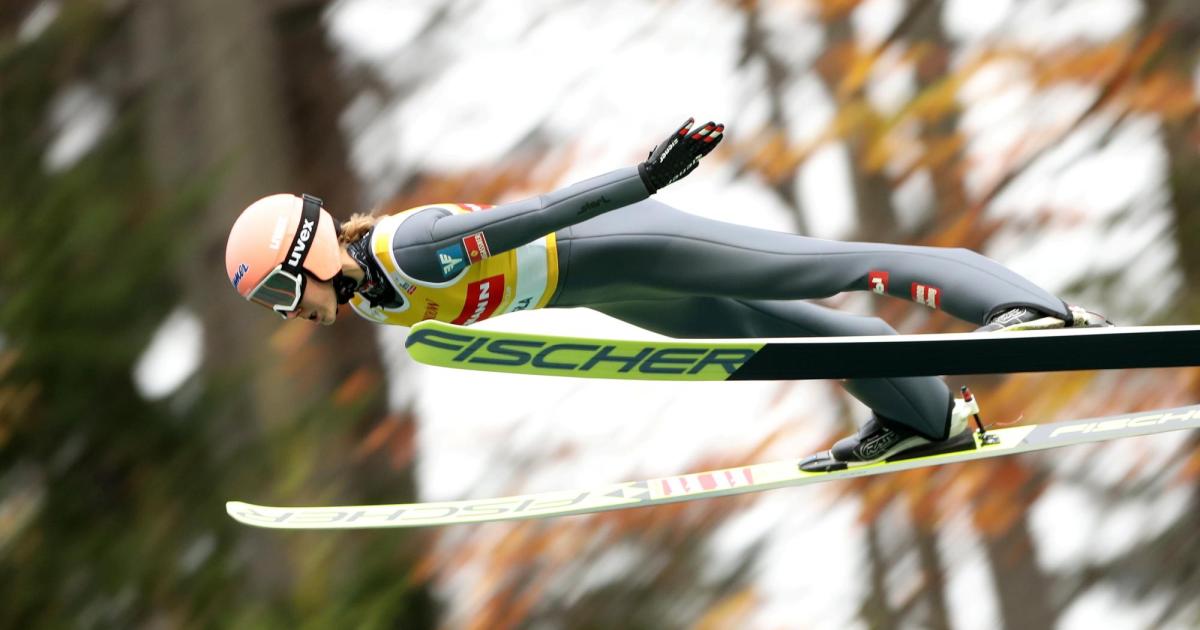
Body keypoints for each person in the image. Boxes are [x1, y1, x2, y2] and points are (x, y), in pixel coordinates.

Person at [224, 118, 1111, 471]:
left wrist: (646, 178)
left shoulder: (409, 250)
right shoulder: (372, 296)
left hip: (620, 241)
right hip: (603, 291)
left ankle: (1034, 309)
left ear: (310, 254)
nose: (288, 313)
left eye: (282, 291)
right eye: (273, 304)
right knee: (780, 334)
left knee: (824, 266)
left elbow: (539, 214)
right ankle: (927, 415)